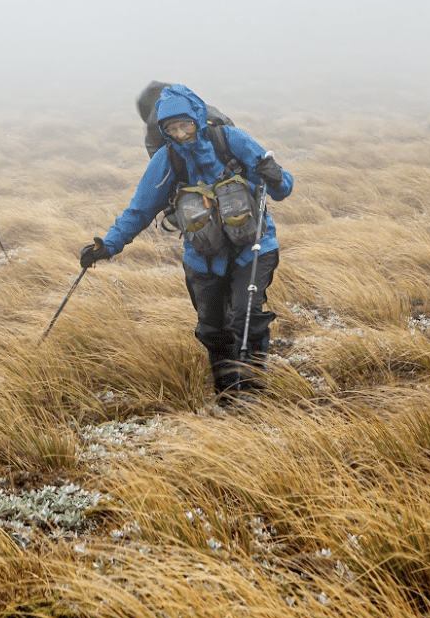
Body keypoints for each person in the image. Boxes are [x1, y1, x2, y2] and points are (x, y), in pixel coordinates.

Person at [80, 84, 293, 399]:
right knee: (213, 328)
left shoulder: (231, 141)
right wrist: (108, 245)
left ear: (198, 119)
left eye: (185, 125)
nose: (180, 134)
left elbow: (281, 188)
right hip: (202, 257)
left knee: (246, 316)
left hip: (253, 248)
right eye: (172, 129)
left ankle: (253, 391)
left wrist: (275, 175)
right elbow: (139, 210)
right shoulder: (167, 161)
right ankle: (227, 395)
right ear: (163, 131)